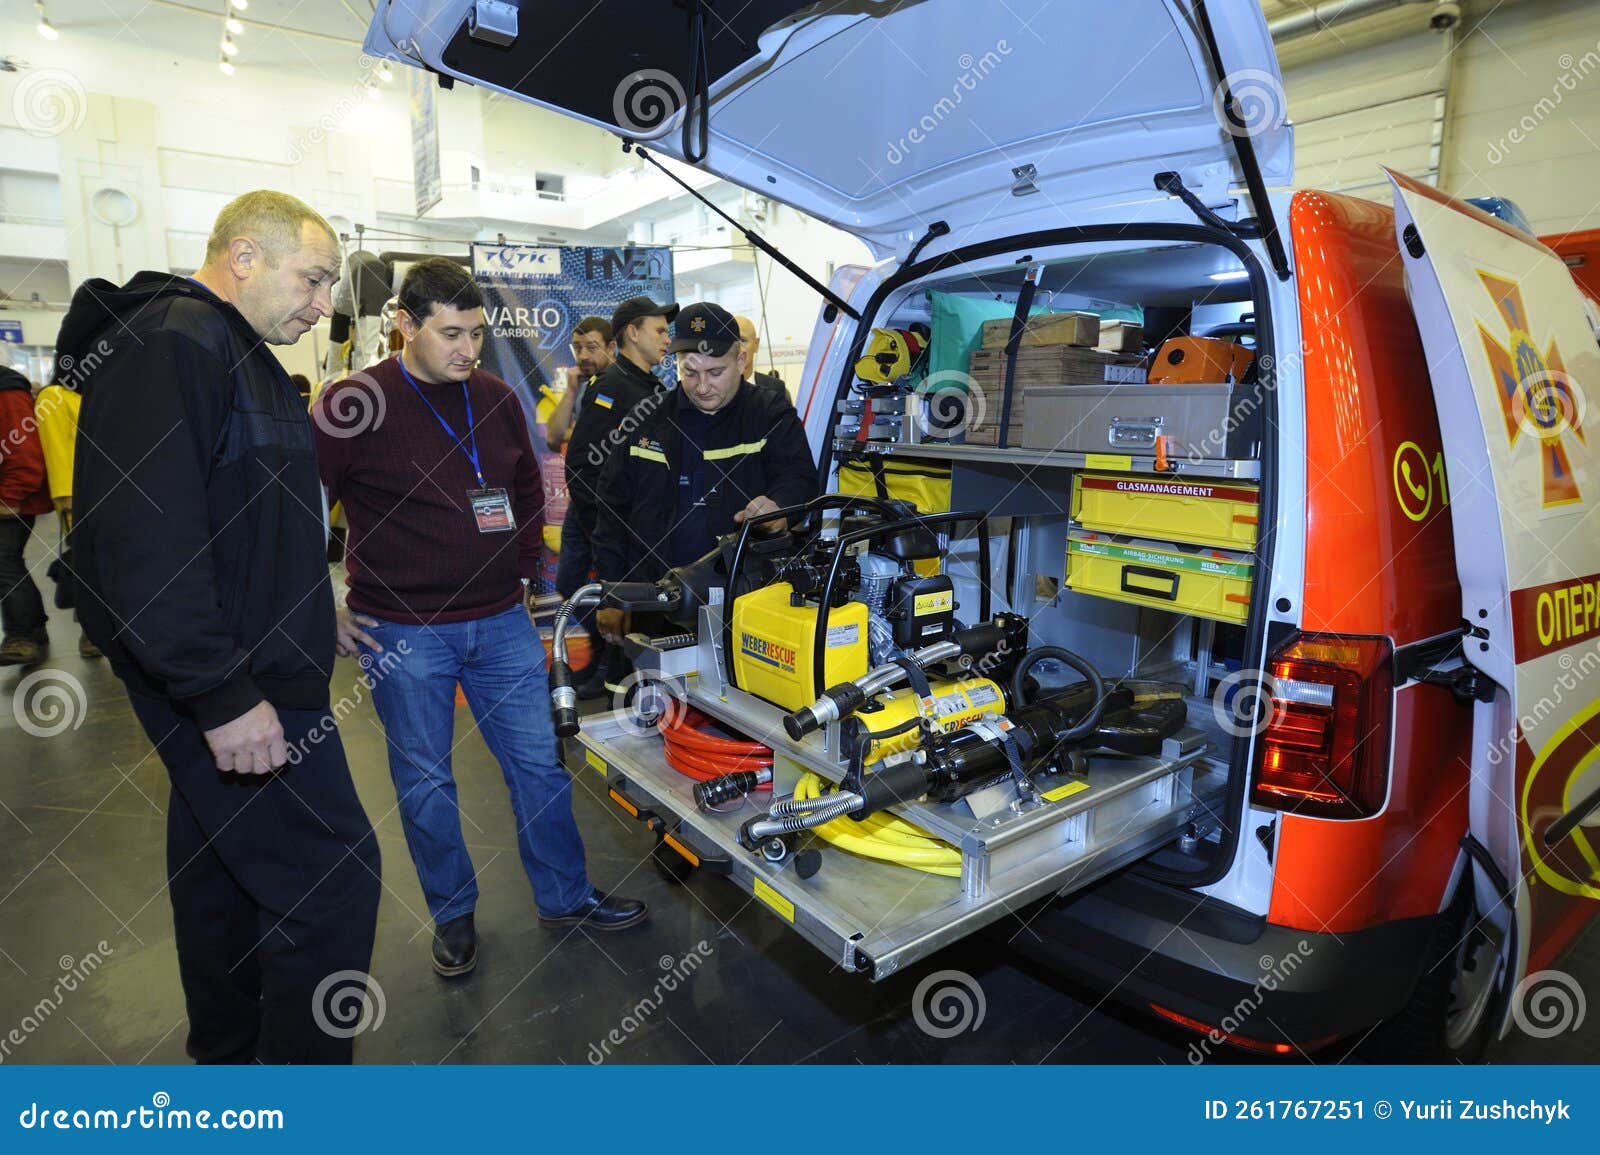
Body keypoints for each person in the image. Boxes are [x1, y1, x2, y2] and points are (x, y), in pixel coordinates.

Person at [68, 190, 381, 1064]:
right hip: (237, 685)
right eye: (313, 279)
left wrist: (322, 607)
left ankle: (230, 1063)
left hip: (260, 666)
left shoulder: (240, 354)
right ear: (245, 256)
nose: (324, 304)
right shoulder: (174, 342)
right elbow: (142, 540)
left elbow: (247, 519)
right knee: (333, 881)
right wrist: (218, 692)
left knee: (222, 879)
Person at [313, 258, 646, 980]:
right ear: (405, 325)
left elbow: (526, 485)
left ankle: (565, 895)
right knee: (426, 779)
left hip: (500, 621)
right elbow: (291, 505)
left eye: (476, 333)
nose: (468, 348)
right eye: (451, 333)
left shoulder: (493, 397)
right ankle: (454, 913)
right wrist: (320, 597)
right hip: (402, 631)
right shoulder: (352, 403)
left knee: (539, 766)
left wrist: (528, 565)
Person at [591, 301, 817, 642]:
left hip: (741, 602)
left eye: (715, 373)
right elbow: (611, 510)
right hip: (654, 603)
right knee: (648, 693)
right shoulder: (647, 420)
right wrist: (614, 595)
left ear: (740, 360)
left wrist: (779, 508)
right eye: (689, 372)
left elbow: (800, 478)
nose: (701, 386)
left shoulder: (768, 413)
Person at [562, 295, 677, 698]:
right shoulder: (611, 385)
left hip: (645, 534)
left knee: (636, 614)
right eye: (659, 330)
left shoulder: (654, 386)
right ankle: (606, 675)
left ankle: (620, 678)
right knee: (604, 601)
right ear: (632, 332)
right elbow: (581, 464)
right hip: (615, 530)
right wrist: (605, 528)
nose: (667, 339)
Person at [33, 370, 101, 659]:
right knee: (88, 570)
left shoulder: (85, 394)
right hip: (79, 500)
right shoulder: (53, 397)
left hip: (104, 494)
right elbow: (56, 450)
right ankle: (91, 632)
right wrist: (66, 499)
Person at [0, 351, 51, 666]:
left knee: (4, 564)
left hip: (11, 498)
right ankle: (31, 628)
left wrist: (10, 495)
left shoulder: (6, 389)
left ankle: (23, 635)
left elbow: (23, 448)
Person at [544, 316, 615, 451]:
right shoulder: (580, 382)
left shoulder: (624, 383)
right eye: (577, 348)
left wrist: (569, 433)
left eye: (592, 348)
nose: (583, 356)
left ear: (610, 348)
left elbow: (610, 439)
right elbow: (553, 439)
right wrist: (570, 391)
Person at [734, 314, 790, 404]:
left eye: (743, 340)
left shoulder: (775, 387)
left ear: (756, 344)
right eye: (731, 341)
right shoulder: (715, 388)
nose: (737, 348)